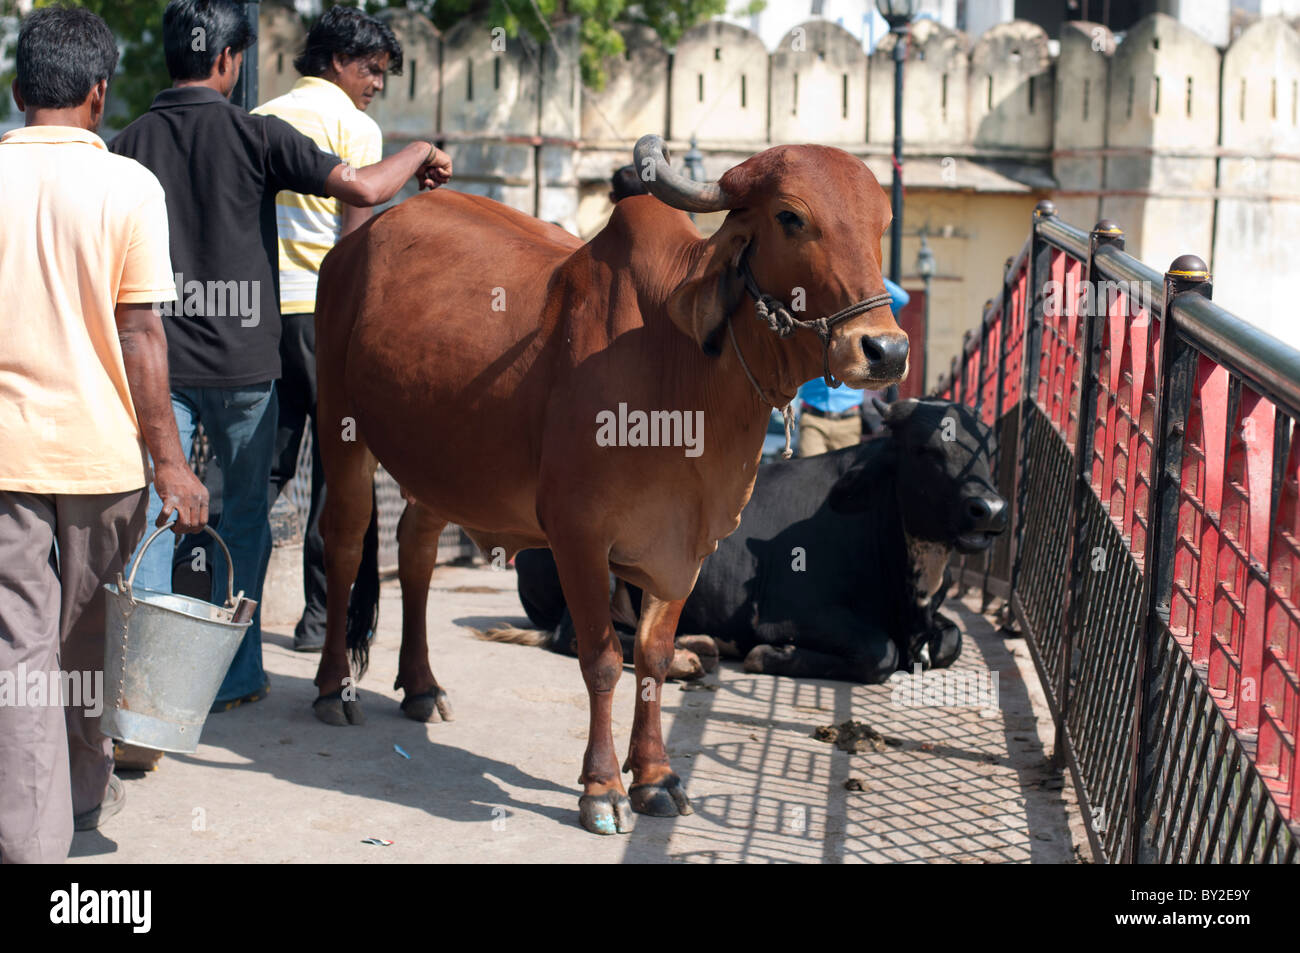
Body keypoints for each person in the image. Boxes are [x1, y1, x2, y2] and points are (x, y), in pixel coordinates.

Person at [110, 0, 452, 711]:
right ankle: (236, 676)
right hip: (250, 361)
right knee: (251, 513)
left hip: (159, 360)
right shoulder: (253, 134)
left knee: (158, 514)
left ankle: (141, 687)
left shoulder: (131, 142)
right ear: (230, 60)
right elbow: (360, 195)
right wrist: (420, 152)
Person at [0, 6, 207, 862]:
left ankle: (27, 839)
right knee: (91, 636)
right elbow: (142, 334)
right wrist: (172, 462)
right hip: (104, 457)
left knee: (19, 649)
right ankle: (83, 808)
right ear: (99, 92)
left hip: (5, 460)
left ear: (16, 92)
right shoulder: (129, 186)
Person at [253, 6, 409, 653]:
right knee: (344, 475)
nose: (376, 83)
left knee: (257, 472)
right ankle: (333, 622)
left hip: (258, 318)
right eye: (372, 69)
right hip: (326, 316)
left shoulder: (259, 120)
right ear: (340, 61)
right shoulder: (357, 130)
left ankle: (223, 618)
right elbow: (354, 247)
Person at [797, 278, 909, 456]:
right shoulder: (814, 315)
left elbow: (901, 298)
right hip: (813, 418)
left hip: (848, 421)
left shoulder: (857, 317)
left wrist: (862, 270)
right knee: (811, 474)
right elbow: (795, 299)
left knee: (841, 478)